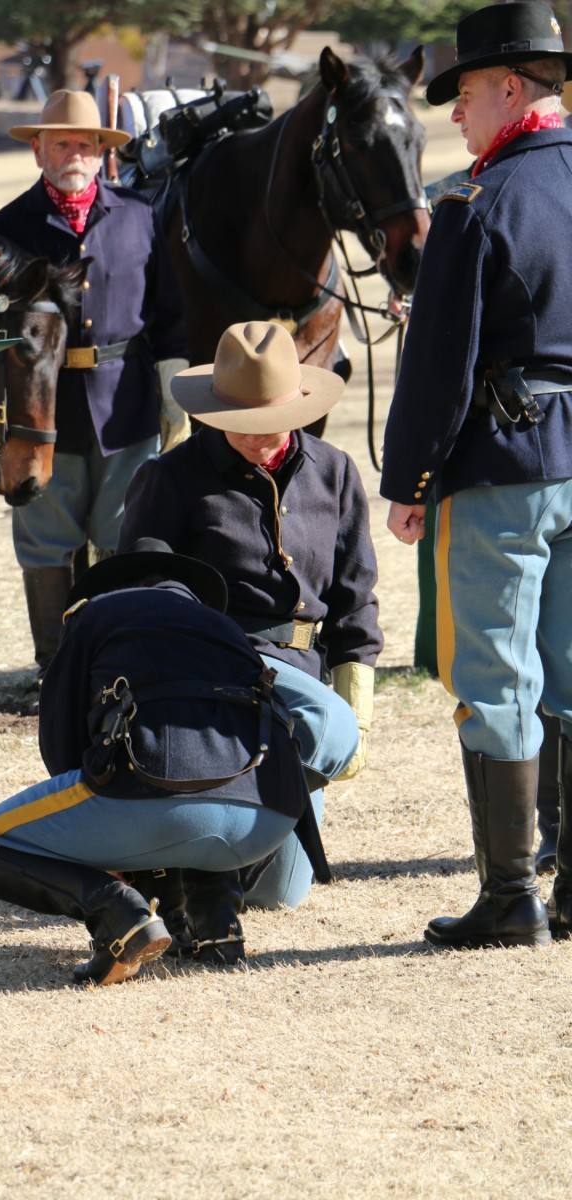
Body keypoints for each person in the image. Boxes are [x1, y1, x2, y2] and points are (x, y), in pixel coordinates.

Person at [381, 2, 572, 949]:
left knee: (494, 675)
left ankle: (510, 898)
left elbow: (439, 361)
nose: (456, 115)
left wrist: (408, 478)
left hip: (505, 461)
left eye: (463, 94)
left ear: (509, 88)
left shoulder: (475, 203)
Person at [0, 539, 318, 986]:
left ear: (112, 585)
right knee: (201, 770)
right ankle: (215, 922)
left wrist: (101, 850)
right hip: (269, 822)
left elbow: (61, 749)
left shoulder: (96, 614)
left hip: (157, 803)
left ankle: (114, 912)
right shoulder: (226, 628)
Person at [117, 320, 384, 912]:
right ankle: (180, 854)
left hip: (304, 682)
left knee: (280, 896)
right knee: (323, 732)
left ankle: (195, 863)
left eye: (272, 424)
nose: (260, 439)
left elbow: (354, 596)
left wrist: (355, 705)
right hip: (218, 684)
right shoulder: (168, 478)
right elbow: (146, 591)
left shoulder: (335, 471)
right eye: (244, 427)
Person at [0, 89, 189, 682]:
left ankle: (118, 665)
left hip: (127, 407)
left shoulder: (138, 214)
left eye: (85, 144)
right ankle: (57, 671)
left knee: (123, 539)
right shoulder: (8, 227)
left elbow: (169, 311)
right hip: (43, 415)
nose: (74, 154)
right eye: (62, 143)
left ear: (102, 154)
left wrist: (173, 384)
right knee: (46, 542)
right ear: (39, 151)